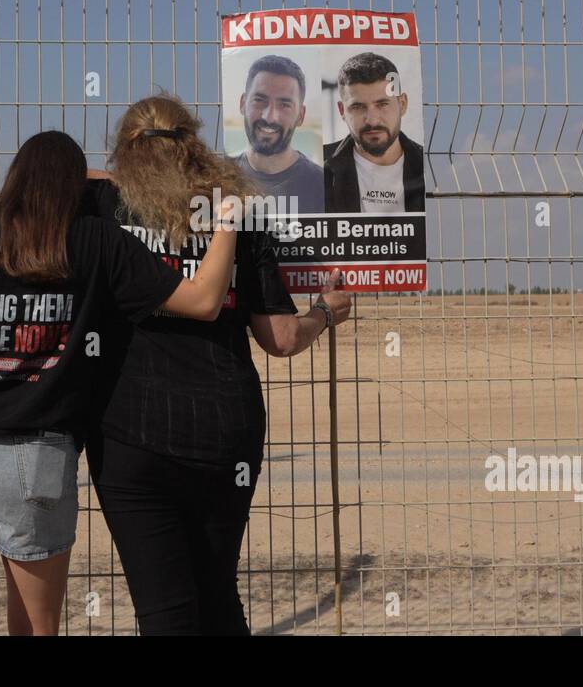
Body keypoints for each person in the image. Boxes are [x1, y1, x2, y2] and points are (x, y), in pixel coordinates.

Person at [0, 130, 240, 635]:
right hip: (34, 457)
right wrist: (227, 223)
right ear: (76, 189)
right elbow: (204, 301)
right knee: (34, 628)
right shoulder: (95, 241)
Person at [86, 92, 351, 635]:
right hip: (224, 428)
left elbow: (55, 176)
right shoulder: (232, 209)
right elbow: (278, 338)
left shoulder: (99, 207)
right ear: (193, 147)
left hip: (129, 432)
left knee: (164, 609)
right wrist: (325, 312)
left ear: (126, 151)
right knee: (217, 591)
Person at [323, 51, 425, 213]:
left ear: (402, 104)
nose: (372, 120)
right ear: (342, 110)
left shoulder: (430, 167)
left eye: (382, 104)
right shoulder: (318, 170)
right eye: (357, 107)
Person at [231, 53, 326, 213]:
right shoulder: (220, 177)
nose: (269, 117)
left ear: (301, 116)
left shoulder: (323, 185)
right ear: (242, 104)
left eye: (284, 104)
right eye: (260, 100)